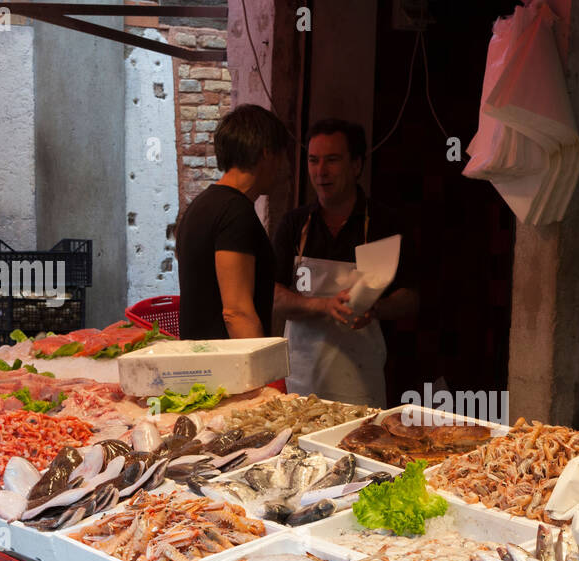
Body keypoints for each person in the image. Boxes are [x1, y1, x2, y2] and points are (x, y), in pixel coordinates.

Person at [273, 118, 419, 405]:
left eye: (332, 160)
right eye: (313, 160)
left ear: (356, 166)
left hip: (359, 382)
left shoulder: (382, 223)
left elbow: (410, 299)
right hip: (300, 379)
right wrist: (325, 305)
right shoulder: (295, 224)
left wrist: (376, 307)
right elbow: (273, 297)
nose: (321, 171)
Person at [176, 104, 291, 339]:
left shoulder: (200, 206)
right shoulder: (235, 214)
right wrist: (261, 374)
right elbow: (237, 313)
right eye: (282, 155)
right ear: (267, 153)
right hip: (227, 371)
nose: (283, 167)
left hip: (203, 365)